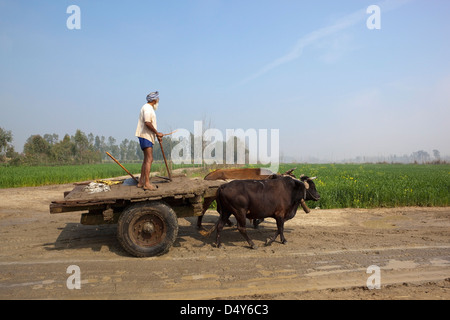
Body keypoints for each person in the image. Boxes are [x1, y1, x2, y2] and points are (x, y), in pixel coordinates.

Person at [135, 91, 163, 191]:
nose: (158, 101)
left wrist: (156, 134)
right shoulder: (147, 108)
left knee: (147, 159)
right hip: (145, 136)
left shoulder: (148, 108)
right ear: (154, 100)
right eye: (158, 99)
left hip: (146, 136)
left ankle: (141, 181)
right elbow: (147, 122)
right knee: (149, 159)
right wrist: (156, 132)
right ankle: (146, 183)